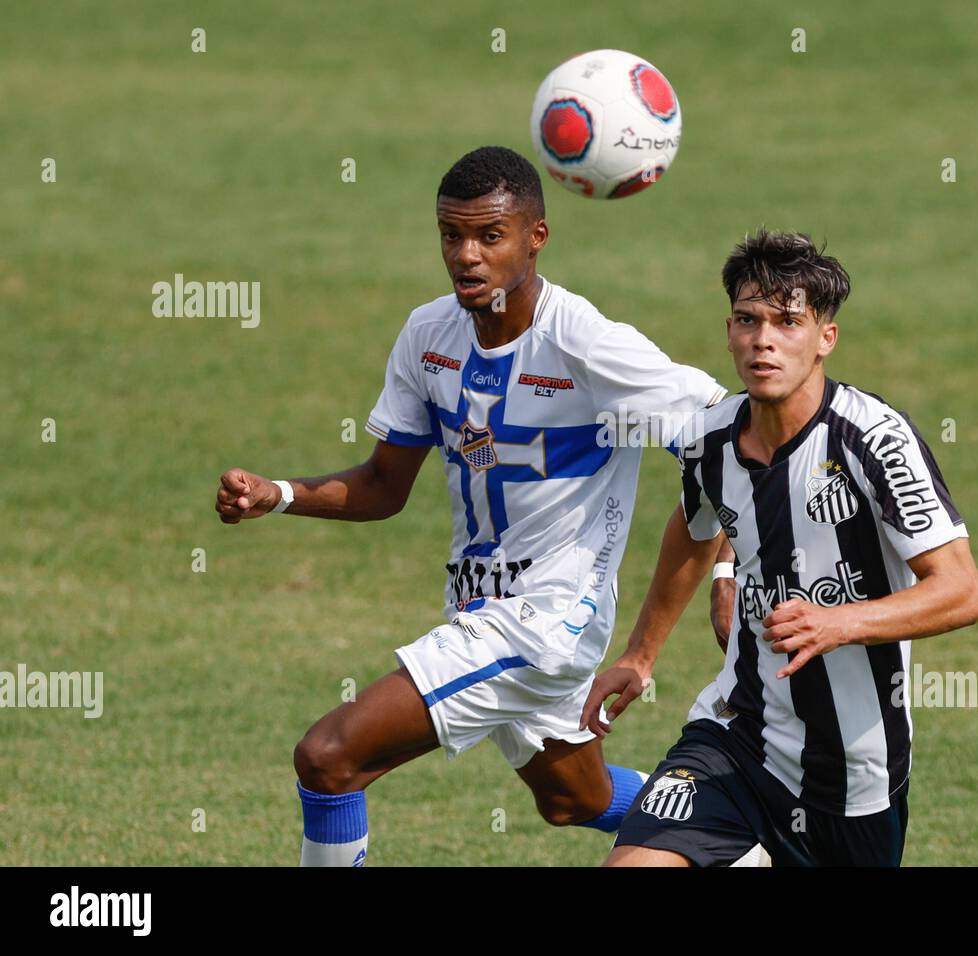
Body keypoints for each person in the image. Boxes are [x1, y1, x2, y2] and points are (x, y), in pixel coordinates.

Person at [213, 146, 726, 865]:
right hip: (479, 607)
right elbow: (385, 486)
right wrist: (281, 496)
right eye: (452, 236)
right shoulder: (431, 335)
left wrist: (716, 579)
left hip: (547, 621)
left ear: (535, 238)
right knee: (572, 799)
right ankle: (743, 830)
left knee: (329, 757)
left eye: (490, 236)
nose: (467, 255)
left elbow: (727, 435)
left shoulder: (586, 344)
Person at [582, 228, 978, 866]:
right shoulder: (709, 442)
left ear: (826, 337)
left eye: (787, 321)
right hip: (734, 735)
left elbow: (961, 590)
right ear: (729, 329)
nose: (763, 339)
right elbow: (692, 532)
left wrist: (839, 623)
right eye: (747, 319)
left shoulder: (872, 441)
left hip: (852, 770)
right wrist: (640, 653)